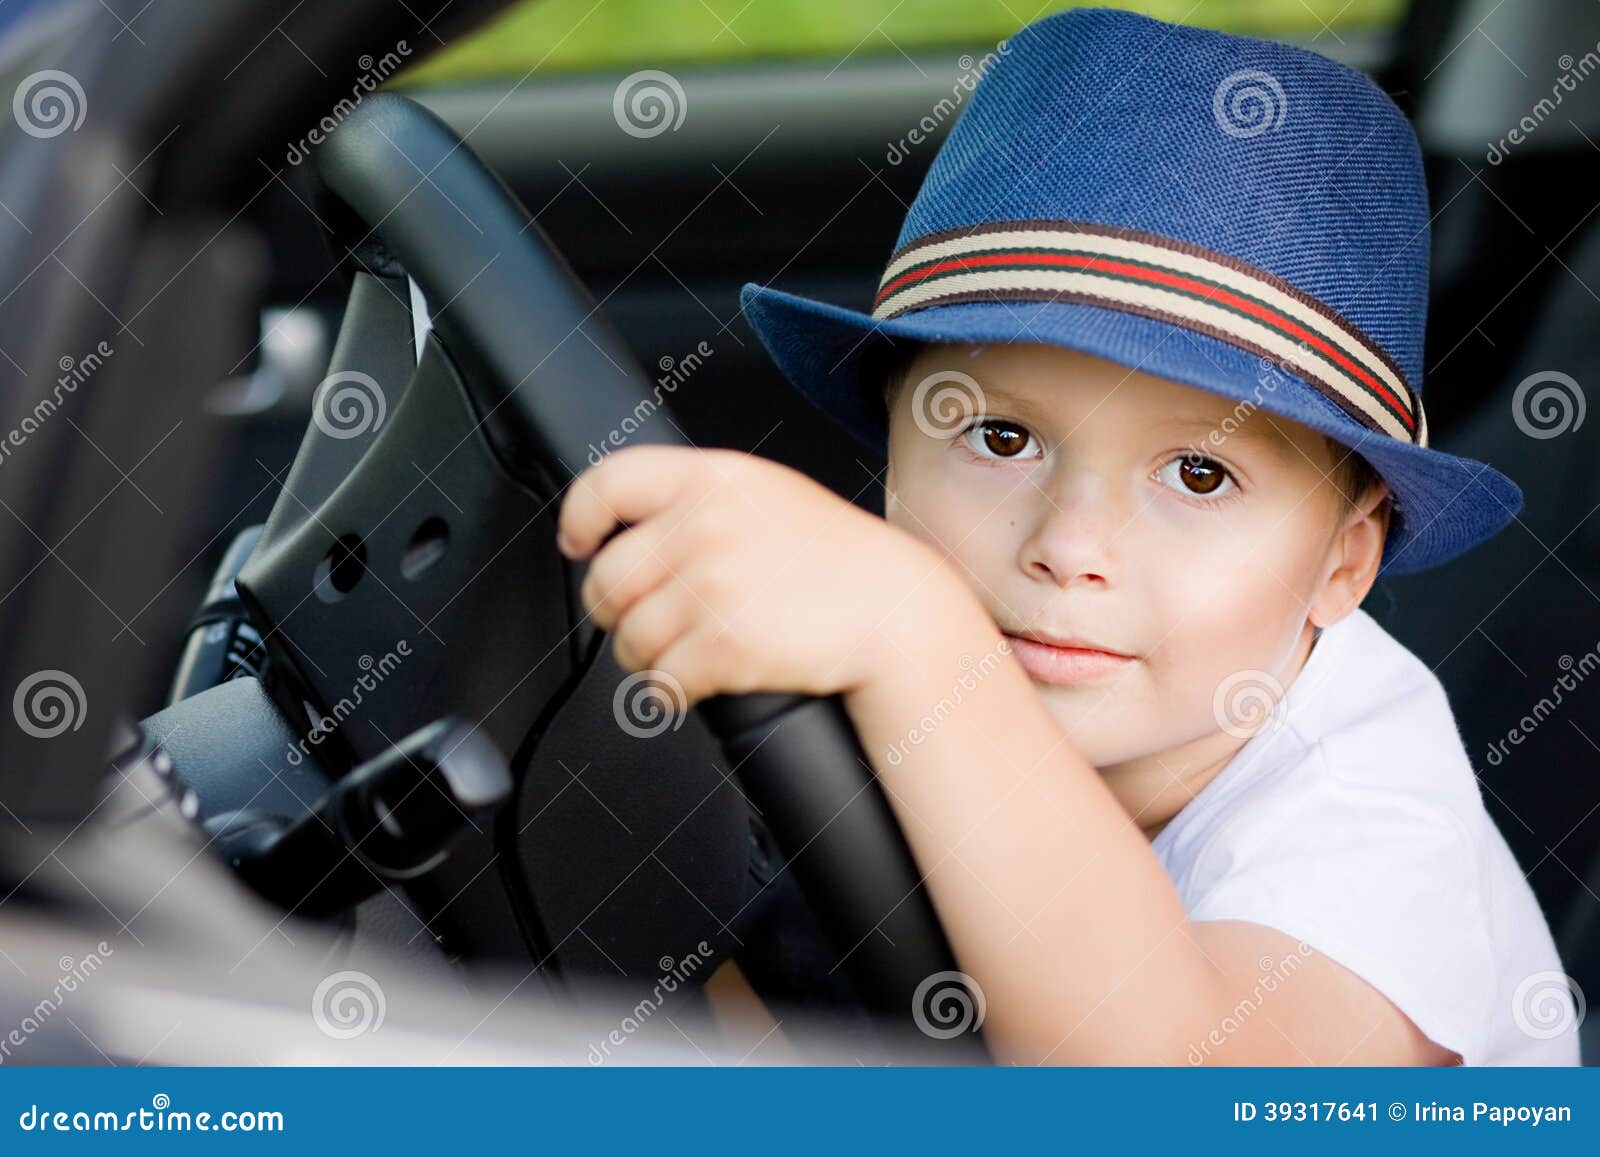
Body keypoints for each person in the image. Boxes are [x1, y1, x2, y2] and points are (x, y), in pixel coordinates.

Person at [555, 7, 1581, 1065]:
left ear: (1345, 563)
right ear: (893, 448)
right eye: (1001, 437)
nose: (1070, 546)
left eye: (1199, 472)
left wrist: (919, 633)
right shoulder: (909, 689)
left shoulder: (1372, 819)